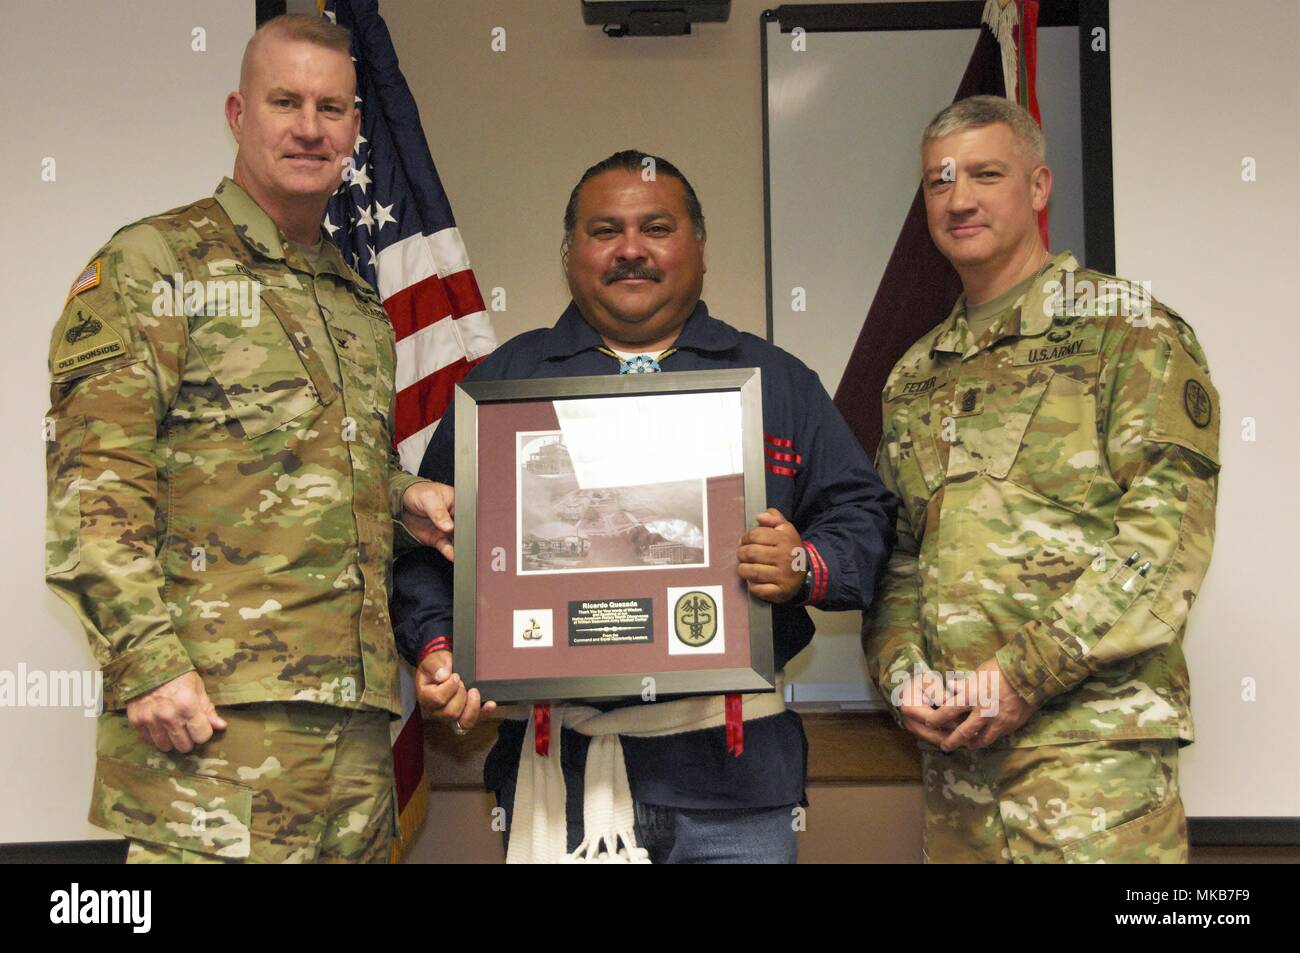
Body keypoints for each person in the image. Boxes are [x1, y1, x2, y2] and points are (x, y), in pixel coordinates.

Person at [391, 150, 896, 863]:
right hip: (559, 781)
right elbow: (426, 553)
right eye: (605, 231)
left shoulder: (777, 382)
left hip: (736, 786)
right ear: (570, 255)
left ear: (698, 247)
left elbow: (866, 520)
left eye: (655, 226)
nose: (631, 249)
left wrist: (804, 564)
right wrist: (439, 647)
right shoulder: (502, 388)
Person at [43, 14, 452, 864]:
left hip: (354, 741)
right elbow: (96, 483)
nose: (310, 127)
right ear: (237, 112)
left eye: (331, 107)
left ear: (354, 129)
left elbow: (318, 473)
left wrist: (399, 493)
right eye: (285, 101)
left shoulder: (354, 300)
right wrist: (147, 662)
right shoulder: (156, 265)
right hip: (213, 738)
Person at [863, 95, 1220, 863]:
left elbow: (1166, 539)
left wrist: (1023, 672)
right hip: (958, 767)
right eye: (938, 182)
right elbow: (898, 557)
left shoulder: (1128, 332)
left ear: (1038, 186)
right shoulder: (915, 376)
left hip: (1093, 761)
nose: (959, 199)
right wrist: (903, 679)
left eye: (986, 174)